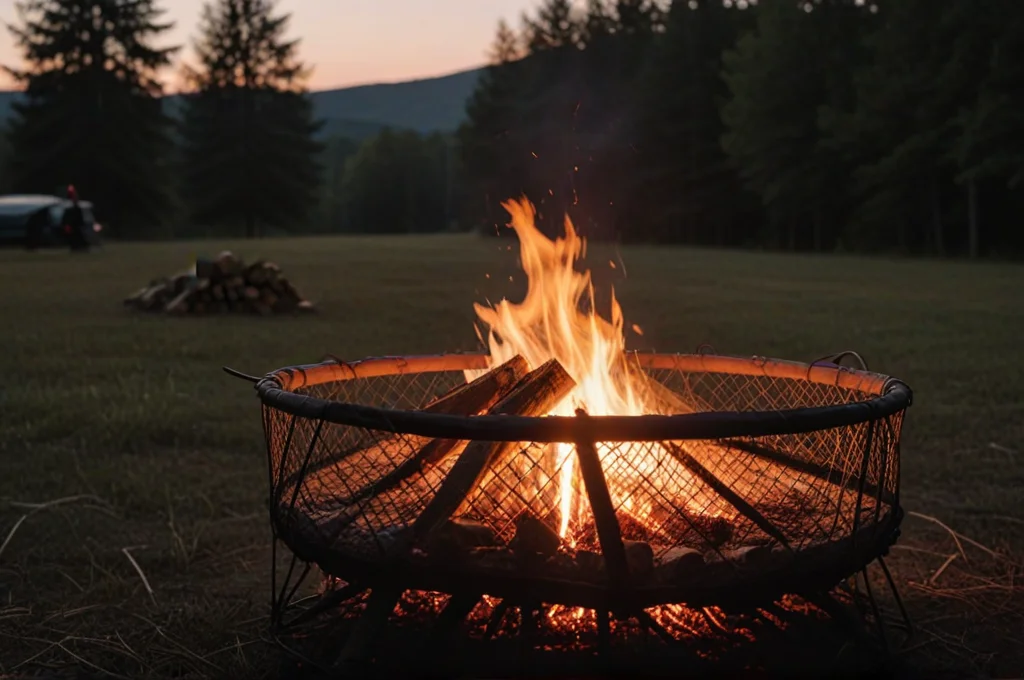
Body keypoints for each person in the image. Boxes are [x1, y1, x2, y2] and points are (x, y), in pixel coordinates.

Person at [63, 185, 89, 252]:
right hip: (73, 225)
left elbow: (79, 217)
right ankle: (76, 248)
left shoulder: (77, 208)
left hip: (77, 225)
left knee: (79, 237)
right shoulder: (69, 208)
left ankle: (81, 248)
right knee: (74, 238)